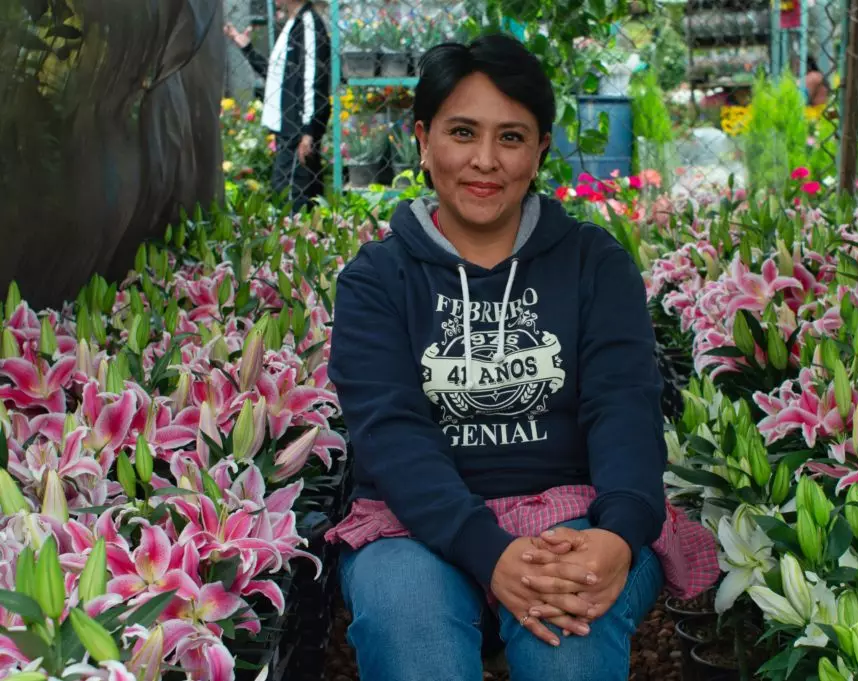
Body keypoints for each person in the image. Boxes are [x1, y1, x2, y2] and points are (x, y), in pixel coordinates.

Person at [325, 33, 718, 680]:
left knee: (571, 646)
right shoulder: (377, 279)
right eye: (461, 132)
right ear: (423, 141)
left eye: (511, 137)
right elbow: (391, 436)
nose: (485, 160)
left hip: (577, 515)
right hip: (415, 526)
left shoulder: (595, 266)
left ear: (539, 152)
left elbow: (625, 412)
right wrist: (490, 550)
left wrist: (617, 535)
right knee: (410, 631)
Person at [224, 0, 330, 211]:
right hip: (289, 127)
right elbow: (278, 77)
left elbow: (315, 79)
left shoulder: (308, 24)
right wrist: (247, 48)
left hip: (297, 130)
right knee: (288, 193)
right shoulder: (294, 23)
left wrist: (309, 132)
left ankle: (297, 239)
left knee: (293, 198)